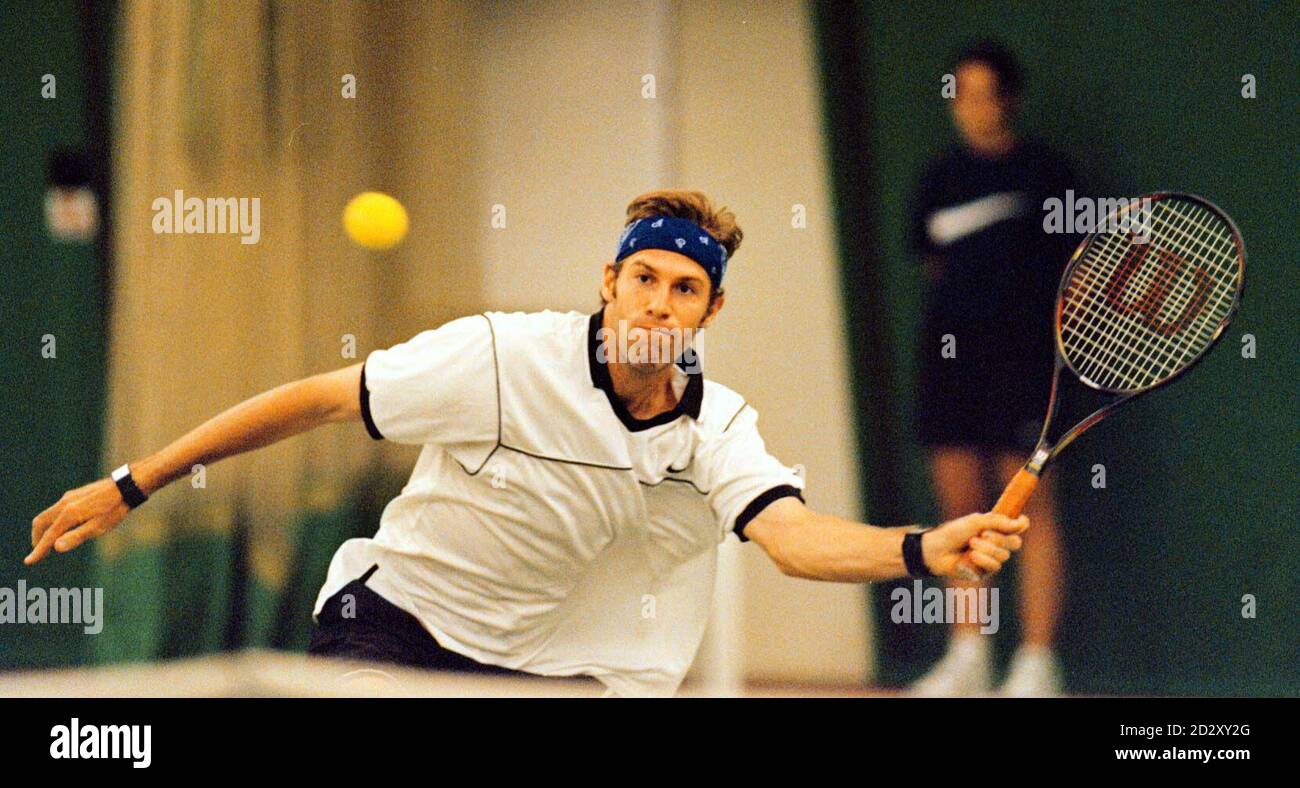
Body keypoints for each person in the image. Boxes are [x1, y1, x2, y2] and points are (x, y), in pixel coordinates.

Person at [29, 189, 1028, 697]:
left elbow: (792, 537)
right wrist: (135, 480)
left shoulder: (716, 427)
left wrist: (921, 548)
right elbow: (316, 401)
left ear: (710, 310)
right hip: (396, 628)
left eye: (685, 288)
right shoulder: (500, 358)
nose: (659, 301)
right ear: (609, 282)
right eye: (644, 277)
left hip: (548, 674)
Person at [906, 43, 1077, 696]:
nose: (974, 107)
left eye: (986, 93)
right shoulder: (937, 179)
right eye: (963, 94)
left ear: (1008, 99)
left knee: (1026, 514)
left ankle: (1036, 665)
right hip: (951, 366)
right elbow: (934, 267)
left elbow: (1077, 273)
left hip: (1025, 364)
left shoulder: (1047, 174)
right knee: (960, 513)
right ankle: (968, 658)